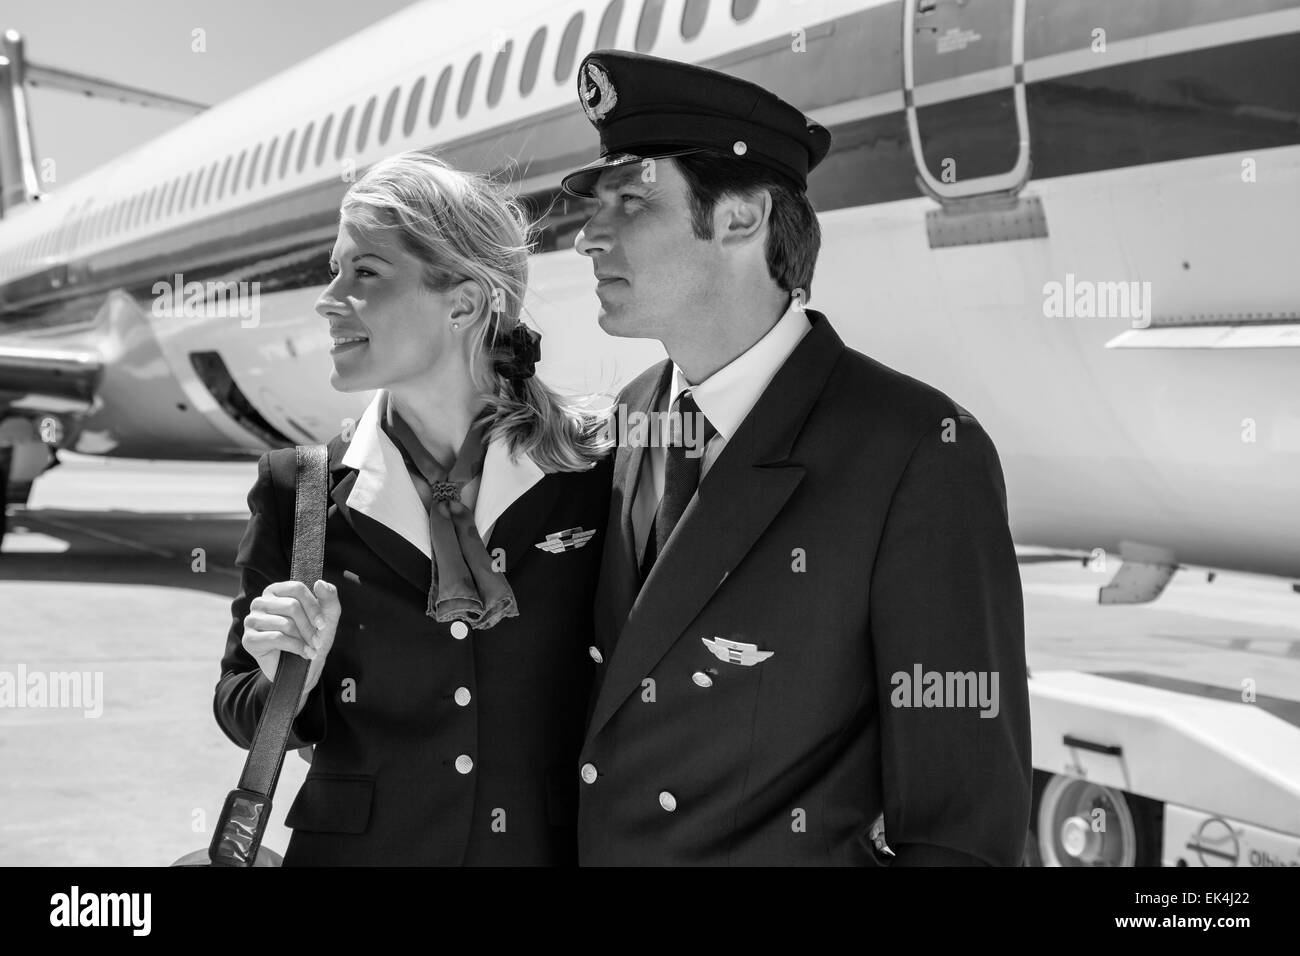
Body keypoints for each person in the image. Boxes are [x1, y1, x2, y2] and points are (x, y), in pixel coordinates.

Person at [561, 51, 1032, 866]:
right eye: (595, 206)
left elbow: (959, 820)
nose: (588, 237)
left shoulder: (916, 452)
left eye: (632, 201)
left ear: (741, 218)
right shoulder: (630, 417)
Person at [213, 150, 611, 866]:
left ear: (462, 302)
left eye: (363, 272)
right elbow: (239, 712)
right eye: (335, 271)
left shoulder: (593, 472)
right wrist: (283, 672)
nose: (328, 298)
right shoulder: (297, 489)